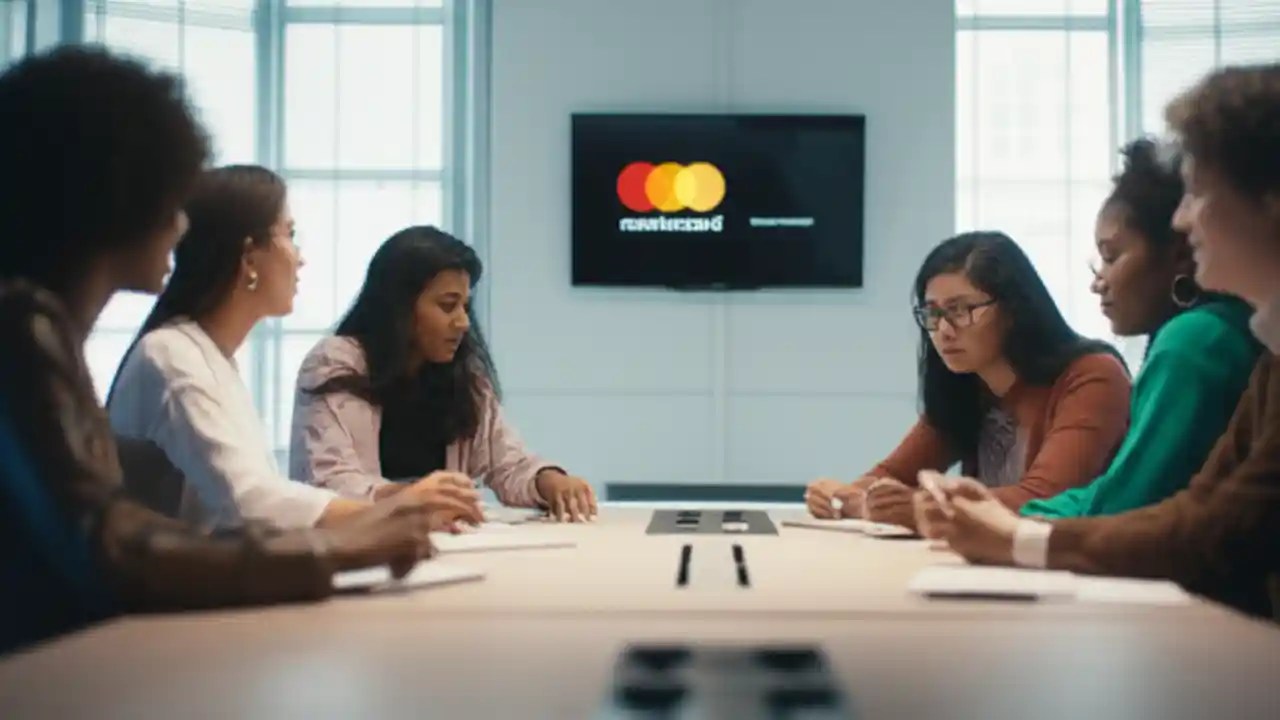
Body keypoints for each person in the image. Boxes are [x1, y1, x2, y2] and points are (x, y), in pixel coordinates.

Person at [0, 47, 443, 654]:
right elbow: (113, 542)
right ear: (117, 192)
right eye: (169, 195)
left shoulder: (47, 330)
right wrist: (338, 543)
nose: (181, 226)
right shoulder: (35, 331)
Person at [919, 63, 1280, 620]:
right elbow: (1206, 509)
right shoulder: (1266, 348)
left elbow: (1196, 522)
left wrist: (1015, 534)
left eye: (1199, 193)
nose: (1183, 219)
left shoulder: (1194, 338)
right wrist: (1005, 523)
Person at [108, 165, 483, 532]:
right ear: (249, 257)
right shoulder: (173, 357)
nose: (299, 257)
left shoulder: (205, 357)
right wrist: (399, 508)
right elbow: (251, 502)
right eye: (289, 234)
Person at [805, 231, 1131, 531]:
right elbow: (892, 477)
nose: (943, 331)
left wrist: (918, 508)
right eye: (932, 314)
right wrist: (841, 497)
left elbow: (1045, 499)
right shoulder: (965, 386)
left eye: (960, 310)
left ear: (1013, 310)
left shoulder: (1092, 376)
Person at [1018, 139, 1260, 519]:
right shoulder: (1229, 324)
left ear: (1179, 252)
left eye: (1111, 256)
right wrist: (1014, 514)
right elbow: (1116, 490)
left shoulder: (1194, 340)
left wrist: (1013, 524)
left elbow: (1125, 505)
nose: (1098, 282)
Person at [290, 226, 598, 523]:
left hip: (440, 543)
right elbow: (330, 481)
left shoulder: (463, 375)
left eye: (465, 306)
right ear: (400, 307)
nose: (463, 322)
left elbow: (509, 462)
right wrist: (413, 499)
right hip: (355, 544)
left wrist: (550, 481)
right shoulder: (336, 362)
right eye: (448, 305)